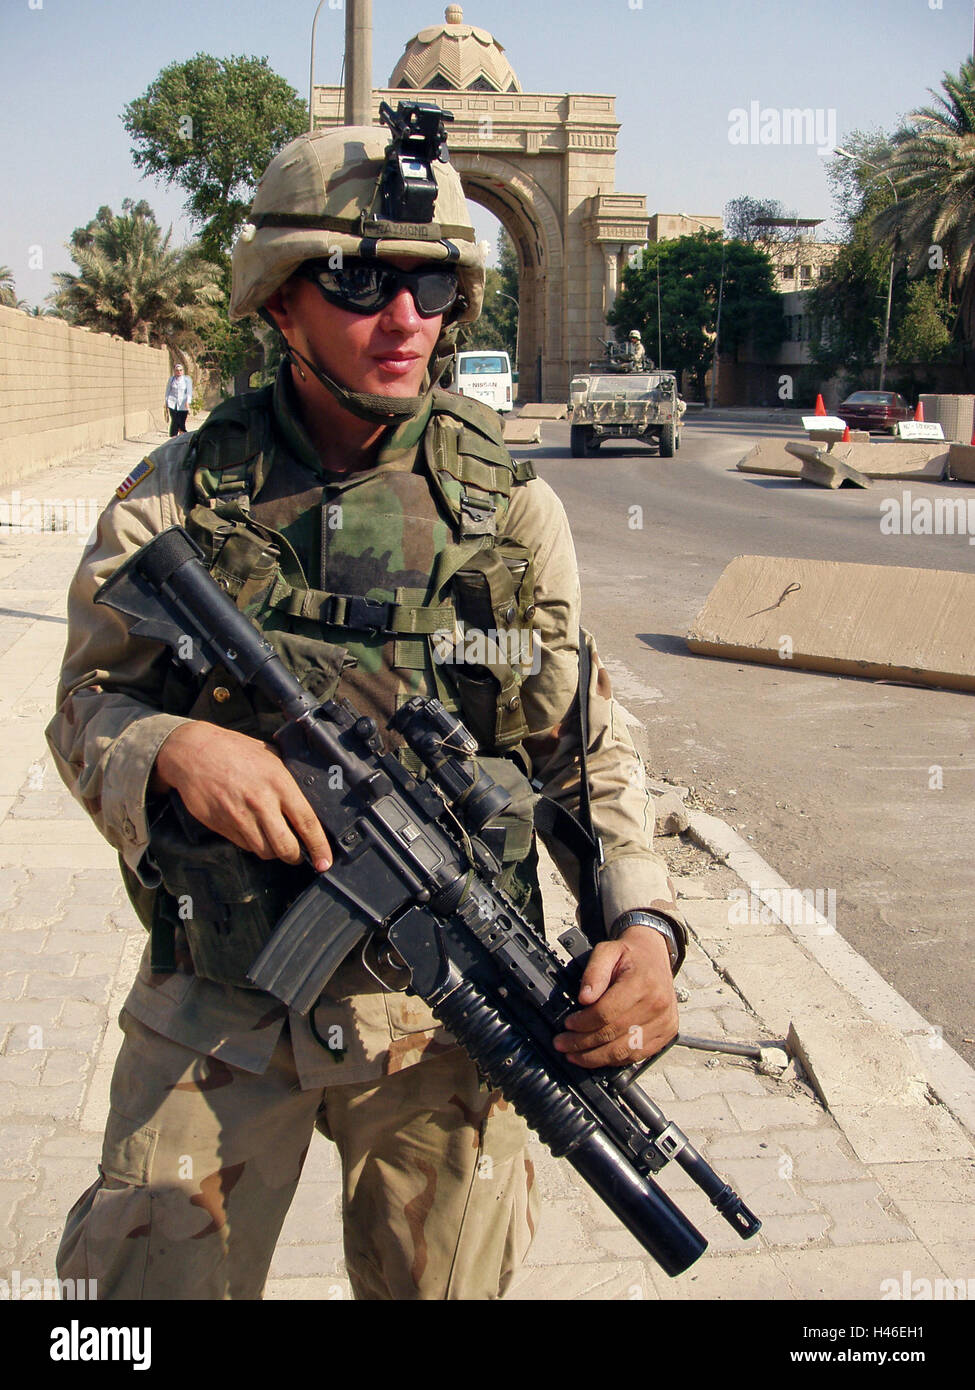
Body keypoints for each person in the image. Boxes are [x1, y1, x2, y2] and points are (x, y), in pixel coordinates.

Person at [46, 110, 687, 1301]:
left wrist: (644, 928)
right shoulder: (176, 499)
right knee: (120, 1318)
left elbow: (580, 745)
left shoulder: (509, 511)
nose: (403, 320)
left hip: (444, 1011)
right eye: (357, 279)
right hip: (224, 995)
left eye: (433, 282)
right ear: (278, 299)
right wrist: (172, 746)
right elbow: (86, 702)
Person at [165, 361, 192, 435]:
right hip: (172, 403)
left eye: (181, 370)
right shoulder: (171, 379)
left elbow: (189, 392)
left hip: (183, 404)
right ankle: (173, 437)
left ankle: (182, 435)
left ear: (183, 371)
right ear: (174, 371)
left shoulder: (187, 379)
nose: (179, 372)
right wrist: (166, 402)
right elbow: (168, 391)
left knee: (181, 422)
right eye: (177, 370)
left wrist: (188, 402)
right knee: (175, 420)